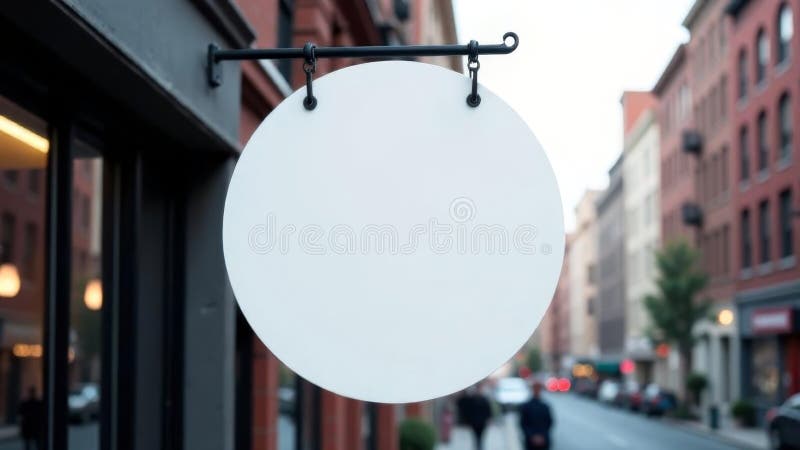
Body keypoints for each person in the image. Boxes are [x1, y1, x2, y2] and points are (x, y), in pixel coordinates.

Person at [519, 381, 553, 450]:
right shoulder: (526, 406)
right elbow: (523, 423)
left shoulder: (545, 406)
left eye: (538, 388)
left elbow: (549, 422)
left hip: (543, 439)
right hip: (531, 440)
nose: (537, 390)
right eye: (535, 388)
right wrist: (532, 436)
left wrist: (542, 436)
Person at [457, 385, 492, 450]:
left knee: (480, 436)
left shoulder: (484, 399)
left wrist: (489, 419)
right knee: (475, 436)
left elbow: (488, 410)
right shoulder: (471, 399)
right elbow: (465, 408)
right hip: (474, 422)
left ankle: (480, 446)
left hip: (482, 422)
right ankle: (478, 447)